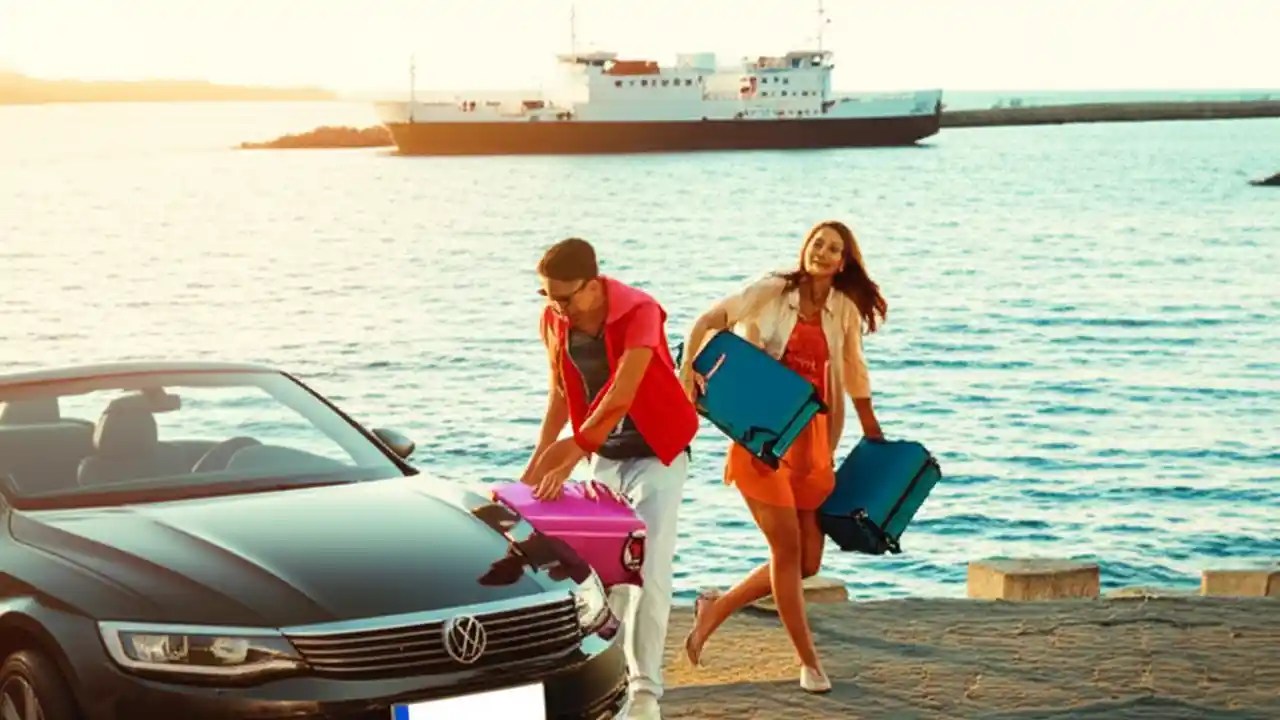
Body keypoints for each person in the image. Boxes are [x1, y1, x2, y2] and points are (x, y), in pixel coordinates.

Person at [676, 219, 887, 694]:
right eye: (818, 242)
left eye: (833, 248)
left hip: (815, 441)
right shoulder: (771, 291)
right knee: (786, 551)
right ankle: (809, 663)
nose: (823, 251)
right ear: (806, 248)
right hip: (763, 439)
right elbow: (710, 321)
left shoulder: (843, 309)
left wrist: (872, 429)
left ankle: (719, 607)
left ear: (842, 262)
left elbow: (853, 368)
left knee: (808, 560)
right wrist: (689, 371)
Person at [521, 237, 698, 720]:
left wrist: (575, 447)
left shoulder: (640, 310)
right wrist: (537, 463)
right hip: (606, 454)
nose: (559, 308)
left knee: (649, 569)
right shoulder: (555, 321)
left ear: (595, 285)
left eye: (567, 297)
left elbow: (623, 391)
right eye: (550, 298)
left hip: (658, 452)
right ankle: (610, 683)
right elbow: (561, 393)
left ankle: (646, 694)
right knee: (605, 575)